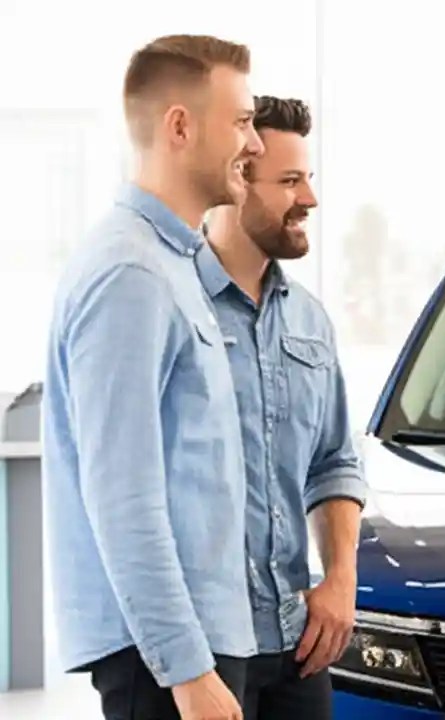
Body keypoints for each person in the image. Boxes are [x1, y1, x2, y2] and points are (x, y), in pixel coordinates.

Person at [43, 34, 264, 720]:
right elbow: (122, 495)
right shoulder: (130, 274)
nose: (254, 144)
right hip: (166, 661)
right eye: (242, 121)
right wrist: (188, 670)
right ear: (179, 126)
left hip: (198, 642)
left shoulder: (173, 264)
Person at [201, 95, 365, 720]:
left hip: (296, 638)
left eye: (309, 179)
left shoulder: (308, 319)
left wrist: (340, 580)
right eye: (290, 181)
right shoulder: (171, 305)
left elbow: (334, 461)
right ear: (237, 178)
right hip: (205, 642)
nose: (310, 200)